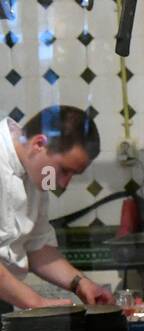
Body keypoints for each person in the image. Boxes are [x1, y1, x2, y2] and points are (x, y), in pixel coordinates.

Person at [0, 106, 114, 310]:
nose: (63, 183)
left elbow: (37, 246)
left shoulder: (38, 174)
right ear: (39, 144)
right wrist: (35, 302)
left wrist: (81, 283)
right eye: (64, 170)